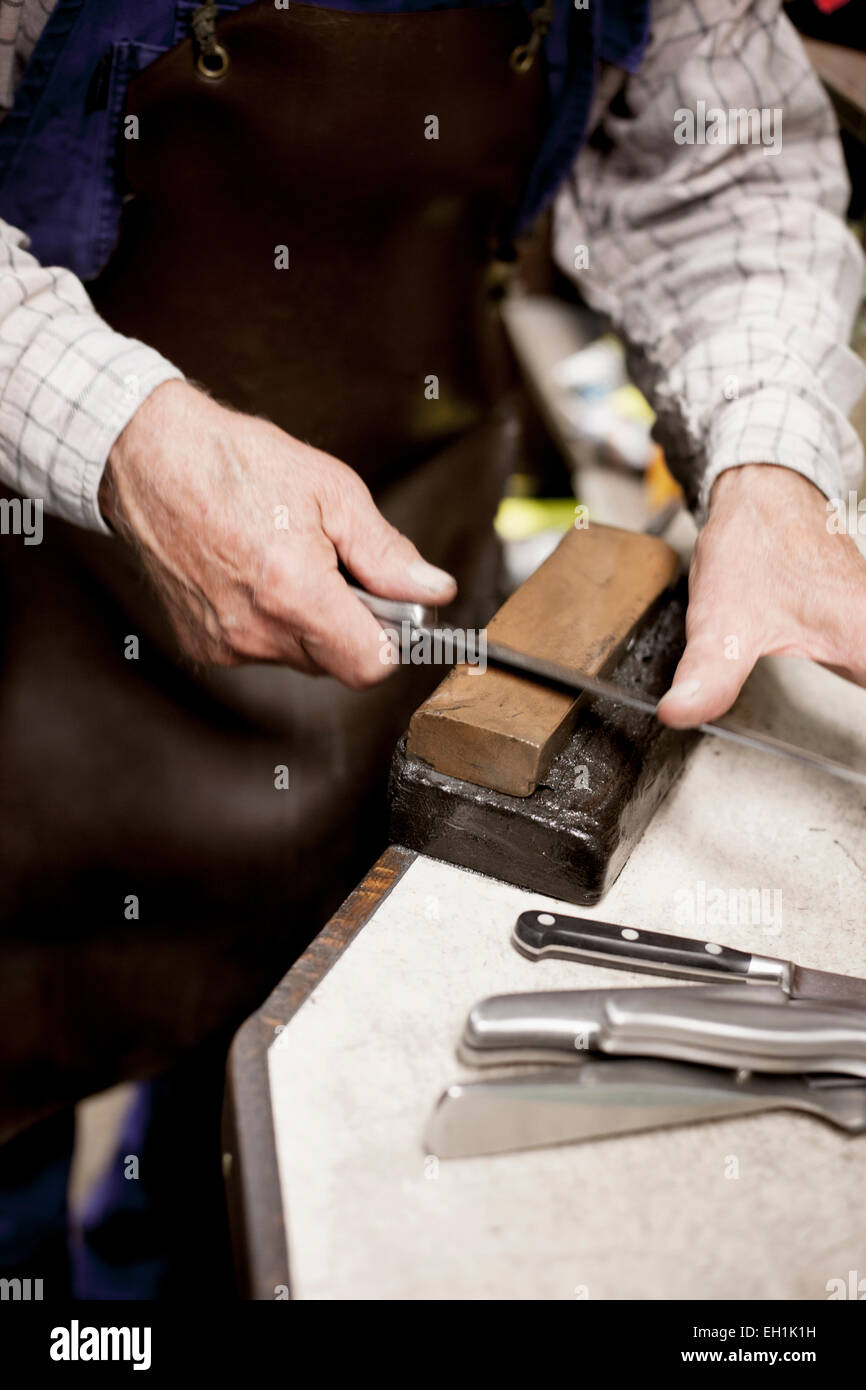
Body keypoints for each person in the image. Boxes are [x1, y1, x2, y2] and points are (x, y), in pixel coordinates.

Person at [0, 0, 863, 1296]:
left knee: (265, 1122)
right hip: (33, 628)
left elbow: (720, 167)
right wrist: (116, 432)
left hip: (390, 629)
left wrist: (765, 460)